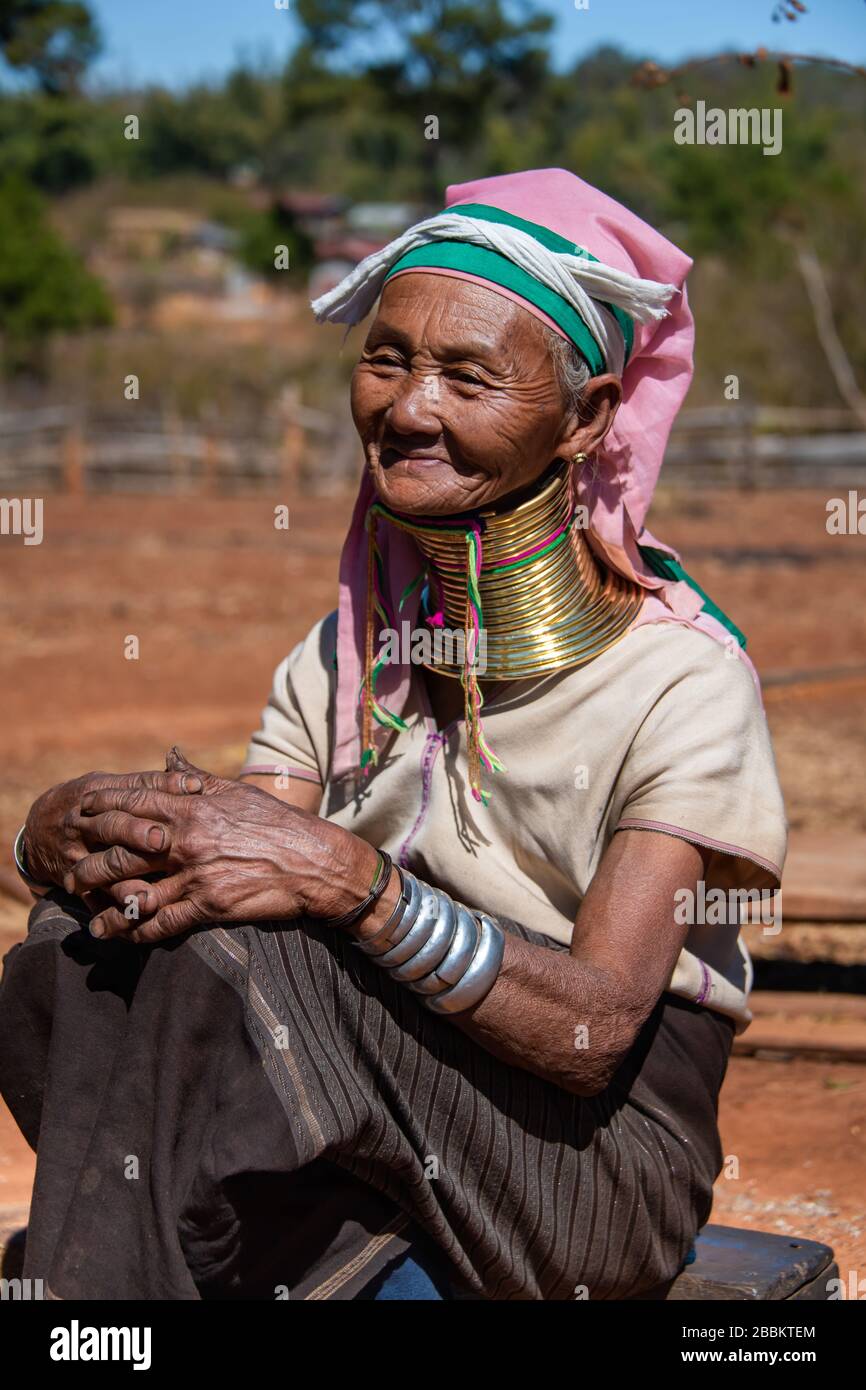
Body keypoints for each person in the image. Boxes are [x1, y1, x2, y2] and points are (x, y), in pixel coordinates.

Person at [1, 169, 786, 1301]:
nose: (409, 408)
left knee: (243, 945)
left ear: (587, 416)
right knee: (94, 933)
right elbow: (227, 873)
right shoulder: (341, 653)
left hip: (587, 1169)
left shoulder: (681, 682)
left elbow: (599, 1028)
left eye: (467, 375)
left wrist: (356, 885)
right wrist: (57, 839)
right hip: (382, 1136)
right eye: (386, 360)